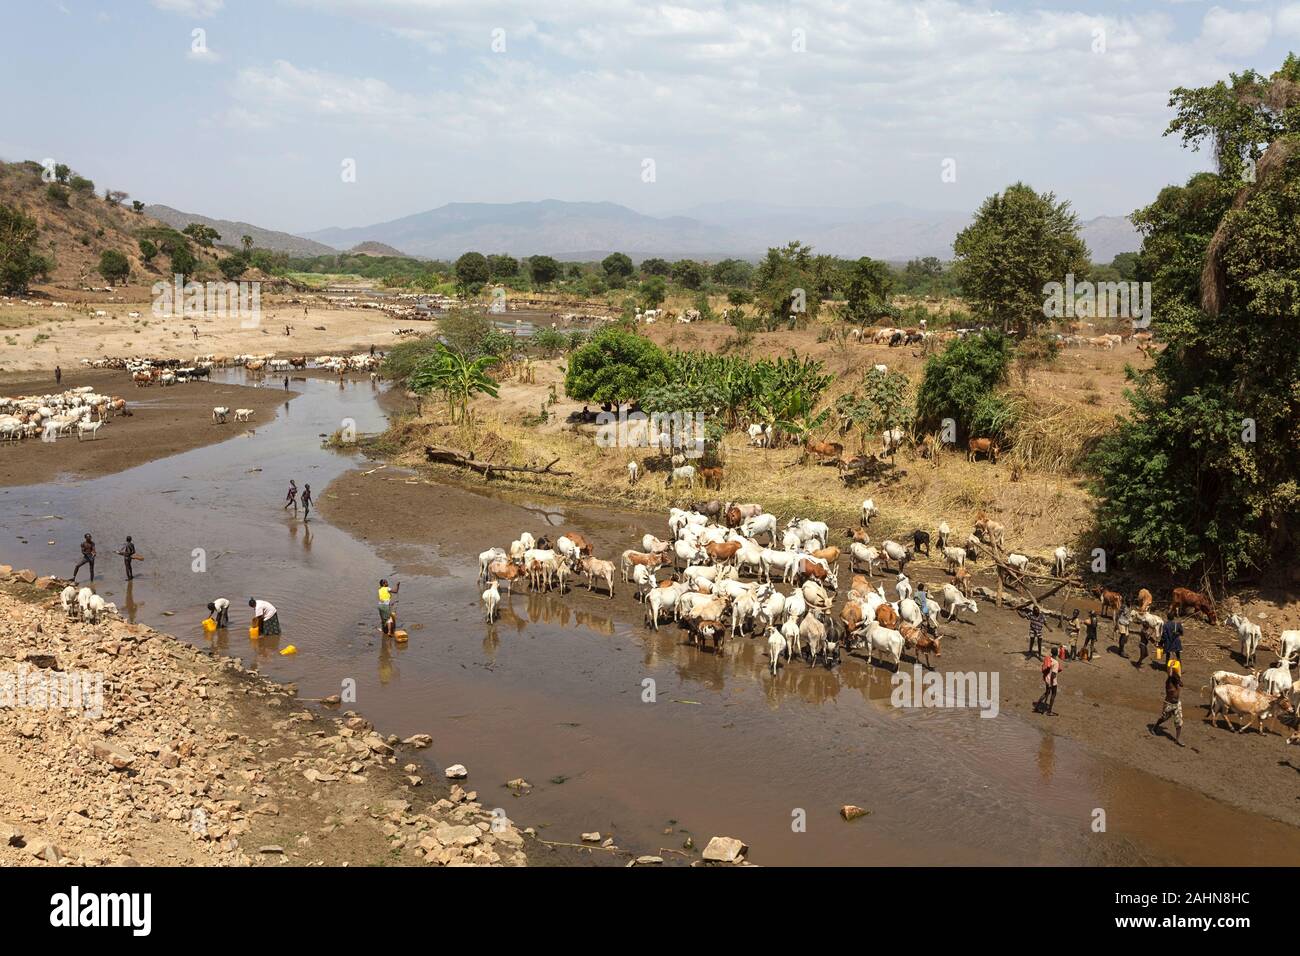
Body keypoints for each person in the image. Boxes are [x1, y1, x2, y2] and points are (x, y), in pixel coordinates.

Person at [1151, 659, 1184, 746]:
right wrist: (1172, 667)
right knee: (1164, 718)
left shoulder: (1177, 682)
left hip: (1177, 704)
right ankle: (1155, 727)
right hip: (1168, 704)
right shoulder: (1169, 683)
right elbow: (1170, 675)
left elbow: (1180, 680)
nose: (1179, 679)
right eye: (1177, 678)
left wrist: (1178, 666)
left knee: (1179, 721)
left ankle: (1177, 739)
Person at [1037, 646, 1061, 715]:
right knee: (1053, 694)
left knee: (1046, 693)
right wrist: (1051, 683)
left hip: (1047, 678)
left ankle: (1037, 707)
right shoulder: (1056, 663)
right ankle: (1049, 711)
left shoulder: (1049, 659)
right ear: (1057, 653)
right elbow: (1053, 674)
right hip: (1052, 681)